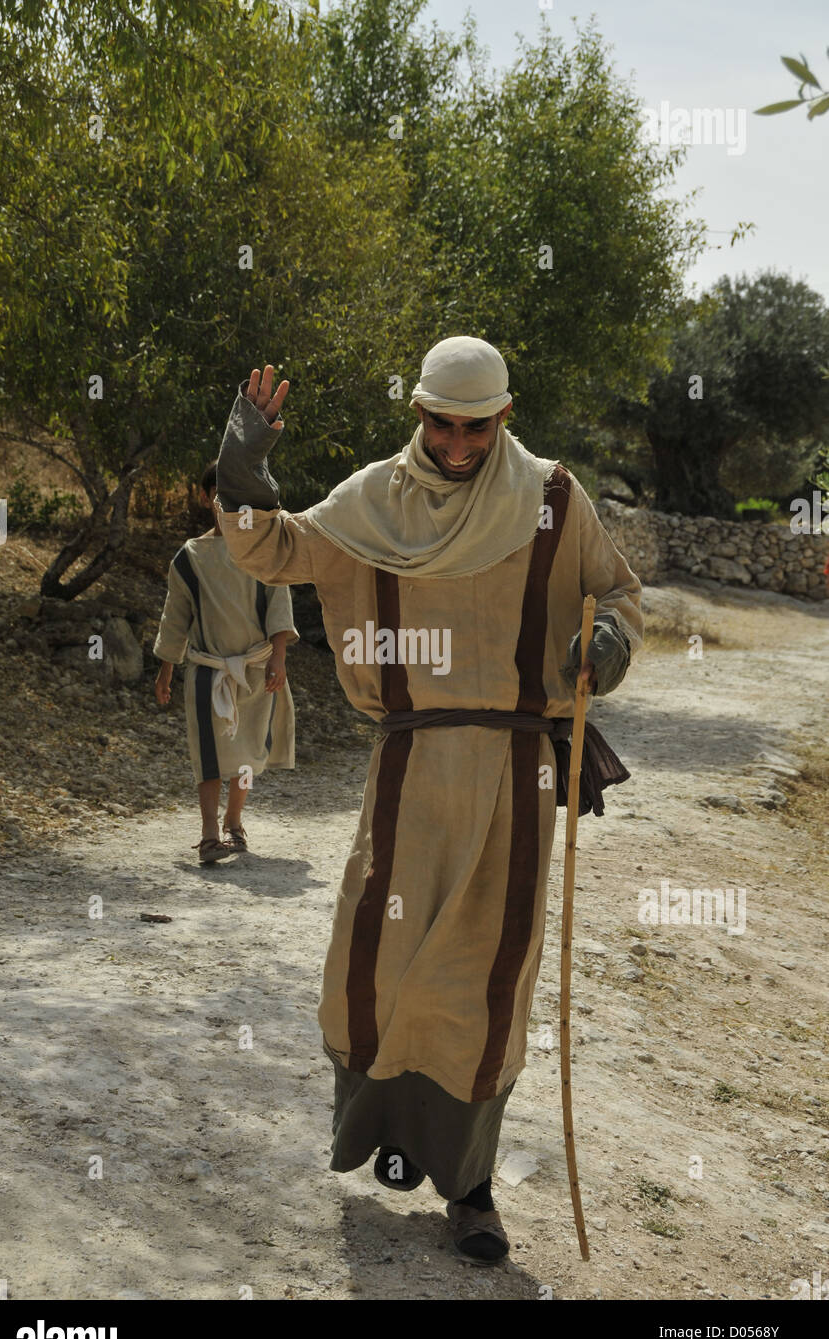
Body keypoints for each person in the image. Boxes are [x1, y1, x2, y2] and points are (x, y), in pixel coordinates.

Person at [214, 338, 643, 1263]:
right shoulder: (373, 502)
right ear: (418, 413)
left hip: (516, 776)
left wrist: (602, 642)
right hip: (407, 774)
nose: (455, 443)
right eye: (439, 423)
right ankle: (384, 1141)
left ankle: (473, 1190)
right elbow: (275, 549)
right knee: (379, 965)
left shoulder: (551, 503)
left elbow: (616, 594)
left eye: (474, 426)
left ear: (505, 415)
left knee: (485, 984)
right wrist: (243, 464)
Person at [153, 462, 298, 863]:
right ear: (205, 498)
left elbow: (278, 606)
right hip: (206, 669)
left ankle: (234, 822)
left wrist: (279, 659)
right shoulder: (190, 558)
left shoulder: (262, 552)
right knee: (209, 753)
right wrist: (167, 666)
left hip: (255, 669)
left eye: (237, 497)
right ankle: (208, 834)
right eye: (220, 495)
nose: (229, 504)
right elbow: (175, 615)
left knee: (248, 752)